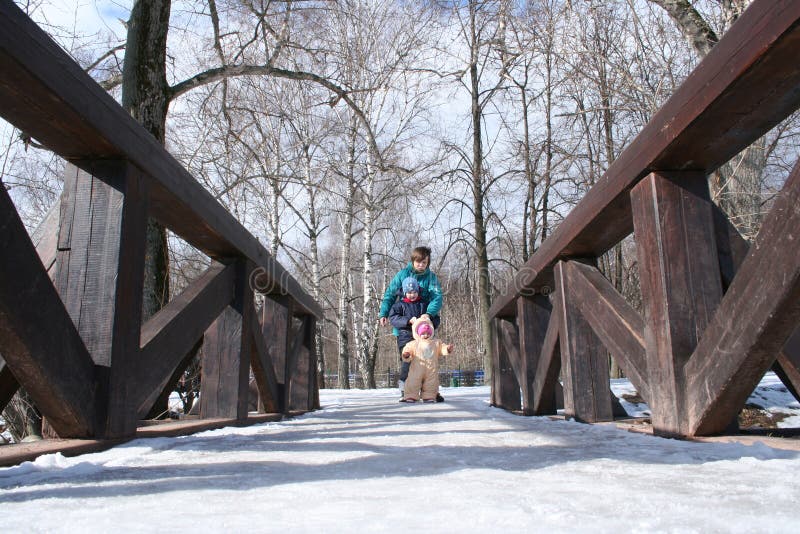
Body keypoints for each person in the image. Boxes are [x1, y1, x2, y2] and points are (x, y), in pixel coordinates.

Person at [379, 246, 443, 398]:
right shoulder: (402, 275)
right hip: (405, 330)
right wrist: (384, 313)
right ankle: (406, 389)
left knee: (427, 359)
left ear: (428, 263)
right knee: (409, 358)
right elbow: (389, 295)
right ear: (413, 261)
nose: (421, 265)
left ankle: (429, 391)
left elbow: (437, 297)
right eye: (418, 262)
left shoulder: (431, 278)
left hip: (424, 327)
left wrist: (428, 315)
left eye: (424, 262)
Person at [389, 277, 440, 400]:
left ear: (418, 291)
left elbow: (436, 318)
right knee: (408, 362)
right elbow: (393, 318)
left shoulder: (424, 304)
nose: (412, 295)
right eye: (409, 292)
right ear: (404, 292)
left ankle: (429, 390)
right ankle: (404, 388)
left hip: (423, 340)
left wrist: (428, 319)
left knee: (427, 363)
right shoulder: (399, 305)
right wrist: (407, 320)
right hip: (406, 338)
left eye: (414, 292)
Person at [400, 315, 453, 403]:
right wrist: (406, 355)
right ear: (418, 333)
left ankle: (429, 396)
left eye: (428, 333)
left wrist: (447, 349)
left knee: (431, 383)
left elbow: (442, 348)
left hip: (431, 369)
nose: (426, 335)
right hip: (417, 368)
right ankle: (411, 395)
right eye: (423, 333)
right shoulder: (413, 343)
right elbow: (407, 350)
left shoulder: (435, 343)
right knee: (413, 381)